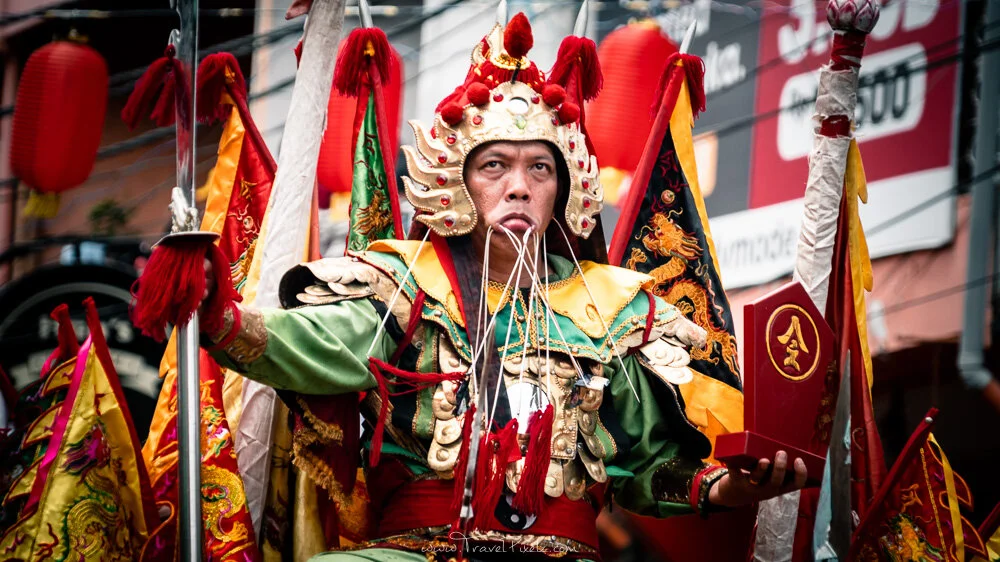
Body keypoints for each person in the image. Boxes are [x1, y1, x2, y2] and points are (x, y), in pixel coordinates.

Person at [201, 14, 806, 561]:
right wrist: (216, 313)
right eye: (496, 166)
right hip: (421, 550)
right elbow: (309, 343)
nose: (519, 186)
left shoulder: (613, 308)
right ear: (459, 185)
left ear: (563, 189)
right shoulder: (405, 283)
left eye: (538, 168)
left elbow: (651, 468)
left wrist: (731, 487)